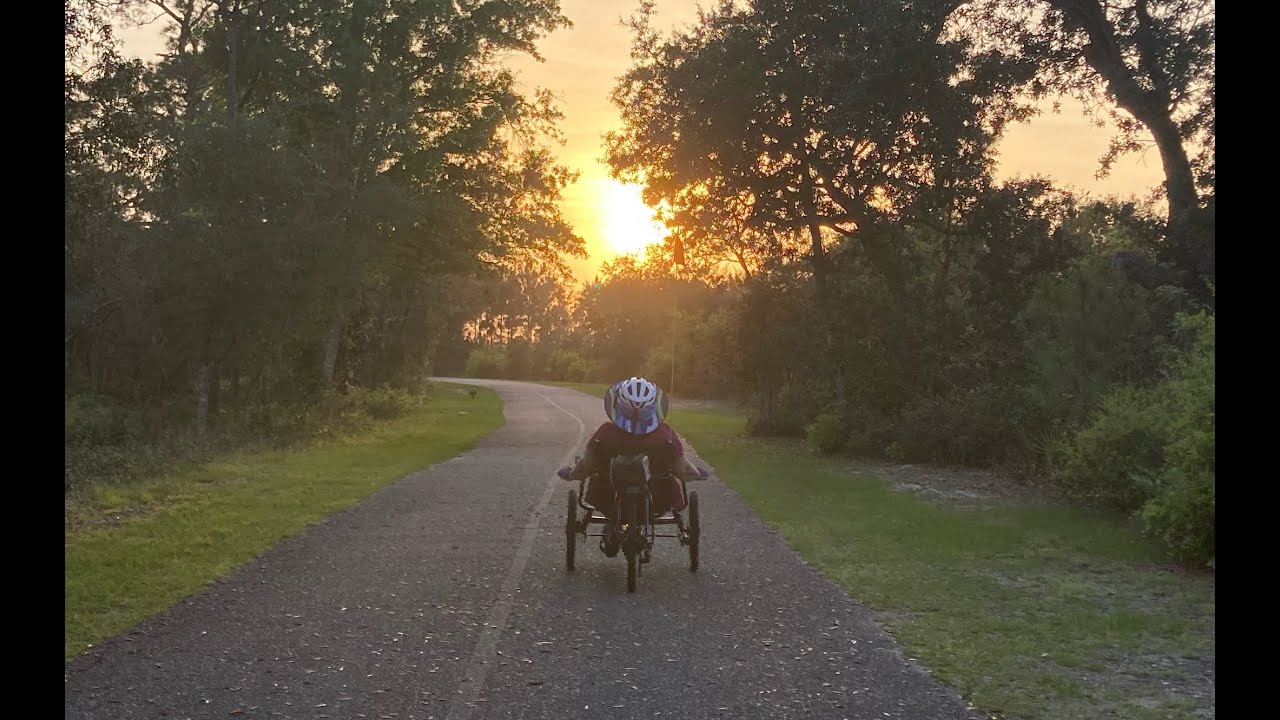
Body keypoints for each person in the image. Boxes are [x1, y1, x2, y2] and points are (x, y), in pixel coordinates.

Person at [558, 377, 708, 554]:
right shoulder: (665, 435)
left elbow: (586, 467)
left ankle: (614, 530)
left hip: (606, 498)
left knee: (599, 483)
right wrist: (698, 473)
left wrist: (571, 474)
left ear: (619, 406)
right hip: (659, 500)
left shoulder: (605, 433)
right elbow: (683, 471)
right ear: (653, 407)